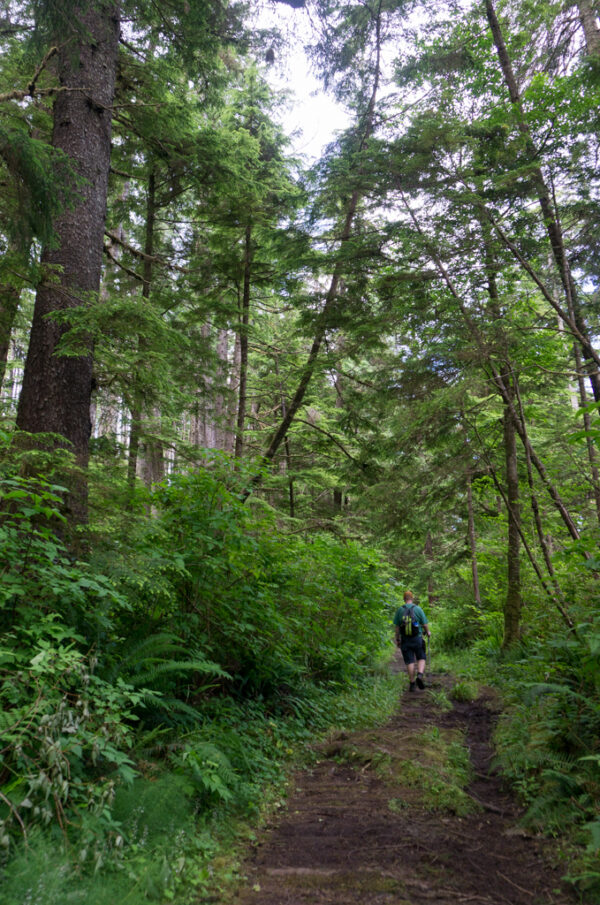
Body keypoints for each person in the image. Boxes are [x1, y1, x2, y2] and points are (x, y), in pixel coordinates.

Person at [393, 590, 431, 692]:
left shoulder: (400, 610)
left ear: (404, 599)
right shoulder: (418, 609)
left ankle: (412, 683)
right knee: (421, 657)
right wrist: (428, 632)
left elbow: (397, 627)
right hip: (417, 638)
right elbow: (425, 624)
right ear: (412, 598)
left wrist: (398, 639)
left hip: (405, 640)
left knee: (409, 661)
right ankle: (420, 675)